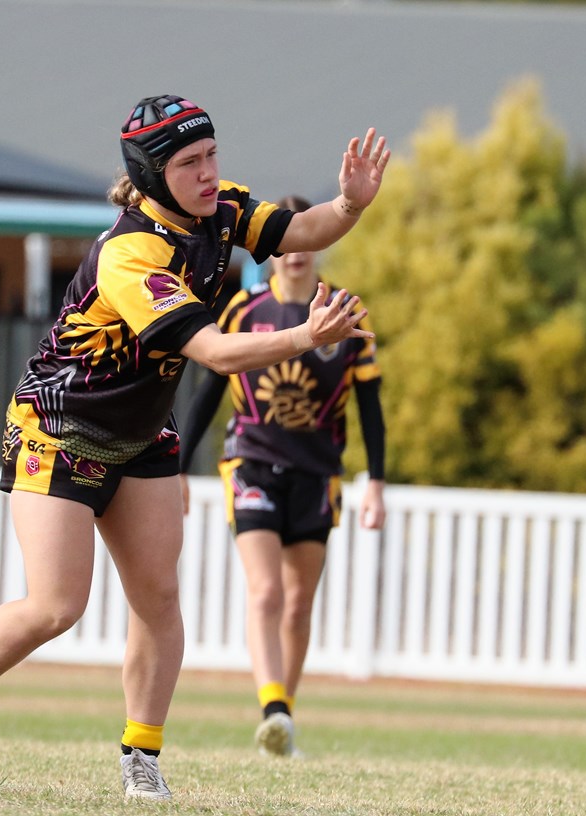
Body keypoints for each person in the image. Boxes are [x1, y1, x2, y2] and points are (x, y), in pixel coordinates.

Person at [0, 95, 389, 801]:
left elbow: (300, 229)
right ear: (149, 174)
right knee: (57, 604)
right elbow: (216, 353)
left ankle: (142, 757)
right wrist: (303, 338)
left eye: (212, 155)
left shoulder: (221, 209)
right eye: (190, 162)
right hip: (59, 425)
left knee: (159, 598)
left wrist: (349, 205)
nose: (209, 173)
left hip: (140, 434)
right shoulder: (131, 254)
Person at [177, 194, 386, 759]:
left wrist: (377, 484)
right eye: (284, 245)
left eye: (305, 242)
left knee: (298, 605)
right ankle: (271, 705)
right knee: (266, 590)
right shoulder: (243, 310)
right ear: (271, 252)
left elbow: (370, 403)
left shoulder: (345, 312)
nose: (295, 254)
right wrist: (179, 467)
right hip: (251, 462)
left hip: (318, 471)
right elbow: (206, 394)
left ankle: (283, 718)